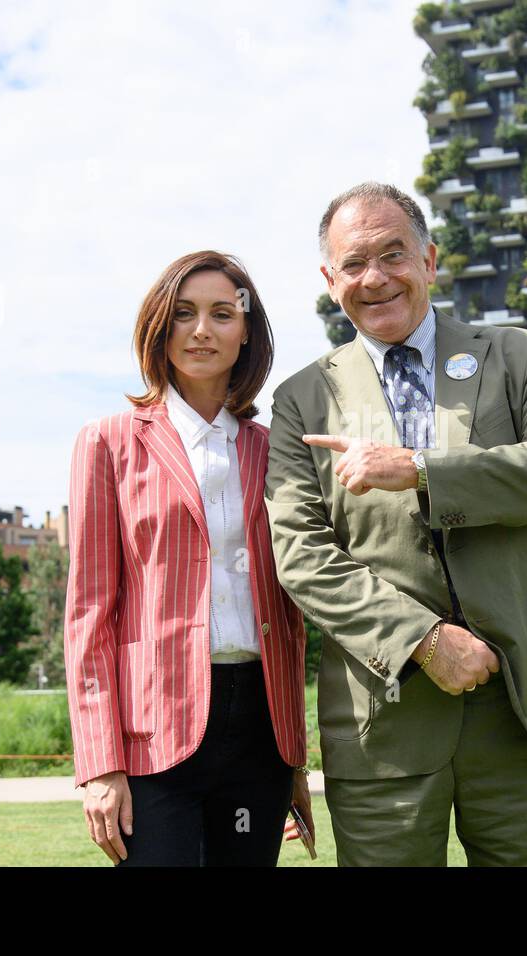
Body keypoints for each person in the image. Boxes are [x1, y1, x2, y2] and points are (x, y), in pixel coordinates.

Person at [264, 182, 527, 866]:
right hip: (385, 720)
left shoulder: (518, 357)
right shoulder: (301, 400)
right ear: (330, 281)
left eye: (393, 255)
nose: (376, 278)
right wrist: (421, 640)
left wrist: (422, 468)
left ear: (430, 259)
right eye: (355, 264)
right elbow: (301, 556)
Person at [64, 250, 312, 865]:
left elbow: (292, 605)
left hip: (261, 727)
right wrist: (98, 764)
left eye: (222, 313)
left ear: (245, 332)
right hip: (154, 730)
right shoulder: (109, 443)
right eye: (184, 313)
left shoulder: (275, 448)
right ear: (159, 326)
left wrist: (295, 759)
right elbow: (89, 614)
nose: (202, 329)